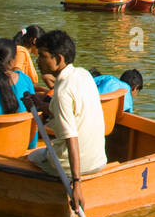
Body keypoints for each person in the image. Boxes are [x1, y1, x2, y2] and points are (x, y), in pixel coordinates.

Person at [29, 30, 107, 202]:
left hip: (74, 168)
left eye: (42, 56)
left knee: (32, 156)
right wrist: (40, 106)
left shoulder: (63, 90)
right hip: (99, 159)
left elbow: (72, 138)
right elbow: (63, 110)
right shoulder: (83, 74)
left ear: (58, 59)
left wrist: (77, 184)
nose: (38, 61)